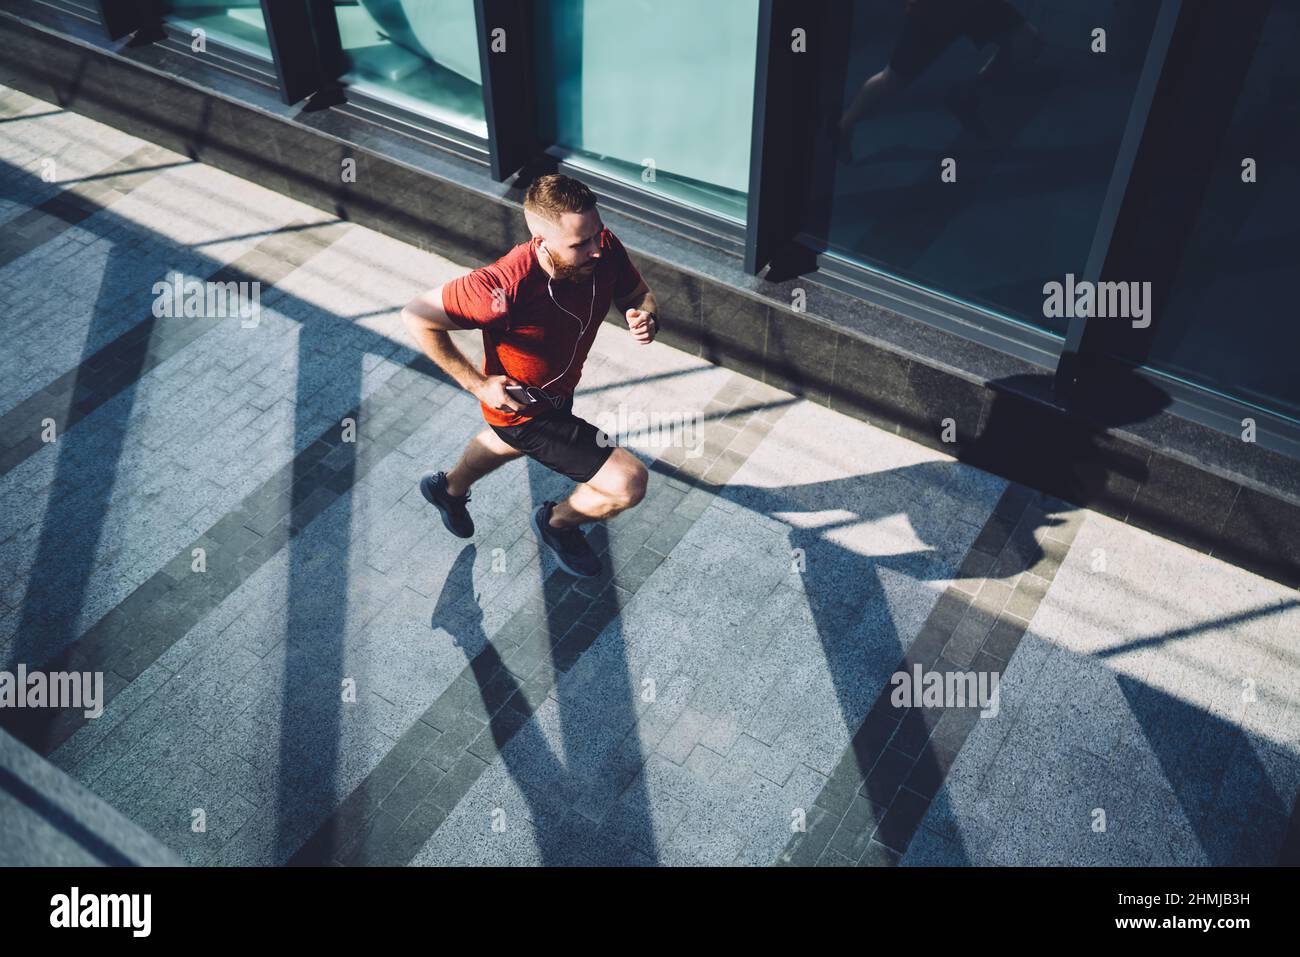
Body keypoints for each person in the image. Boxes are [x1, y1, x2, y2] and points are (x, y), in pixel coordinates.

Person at [401, 174, 659, 578]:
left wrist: (645, 314)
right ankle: (557, 523)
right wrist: (477, 384)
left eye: (597, 233)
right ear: (542, 241)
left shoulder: (602, 246)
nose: (596, 250)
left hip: (555, 394)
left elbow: (636, 292)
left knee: (505, 443)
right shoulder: (502, 286)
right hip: (525, 412)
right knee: (628, 482)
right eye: (580, 244)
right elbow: (415, 316)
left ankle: (447, 489)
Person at [834, 0, 1043, 159]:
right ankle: (845, 126)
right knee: (894, 80)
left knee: (1027, 40)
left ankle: (966, 95)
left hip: (974, 5)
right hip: (934, 11)